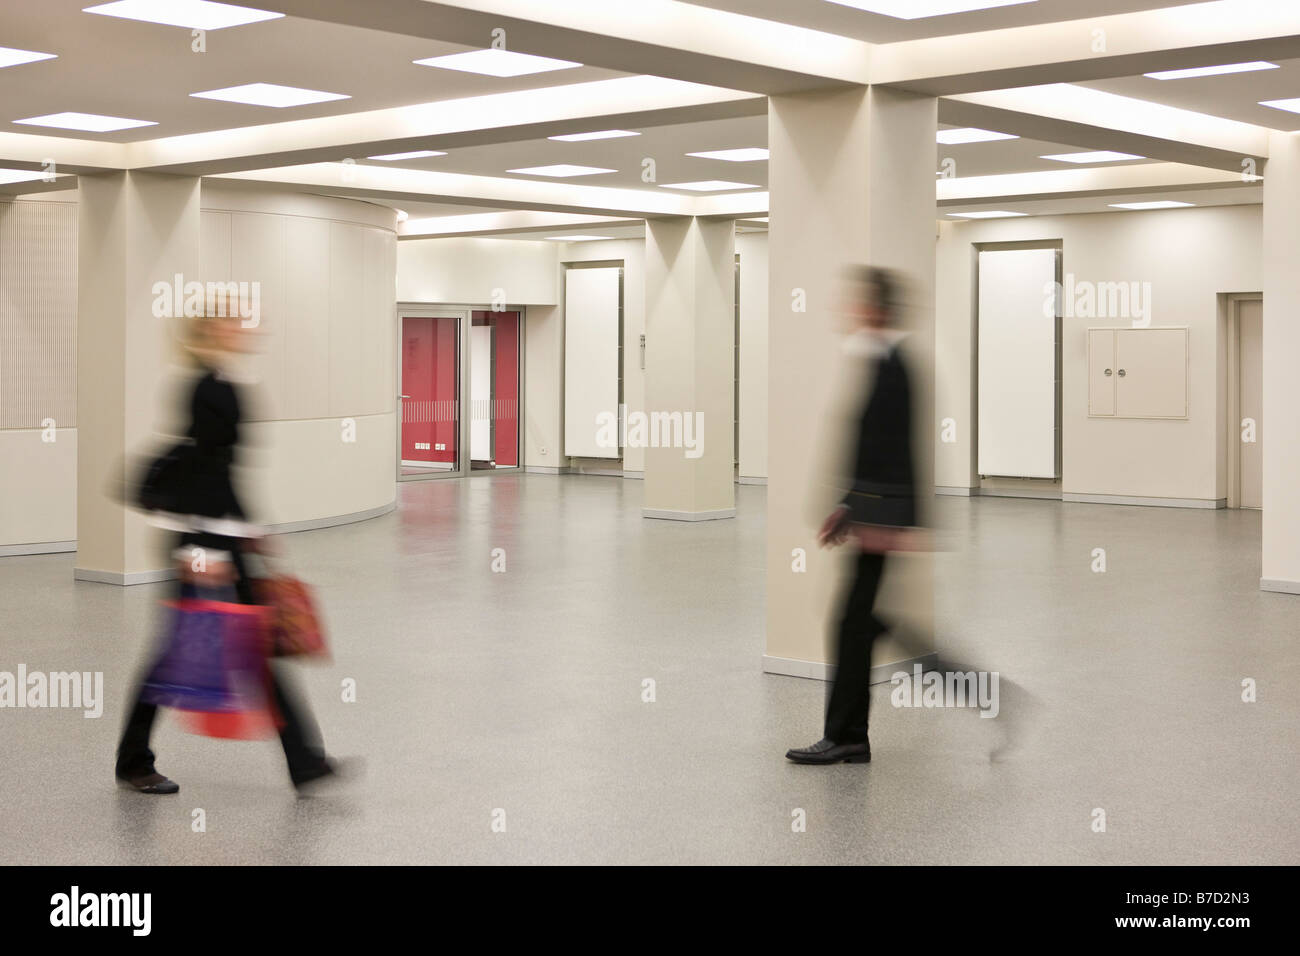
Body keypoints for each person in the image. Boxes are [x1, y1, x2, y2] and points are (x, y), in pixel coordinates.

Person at [115, 304, 339, 794]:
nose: (243, 329)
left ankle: (304, 762)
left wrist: (252, 529)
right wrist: (207, 551)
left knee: (258, 644)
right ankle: (133, 761)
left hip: (223, 536)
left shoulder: (222, 382)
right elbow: (202, 470)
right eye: (228, 324)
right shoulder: (205, 388)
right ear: (202, 337)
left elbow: (221, 471)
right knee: (175, 652)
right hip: (203, 543)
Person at [786, 266, 919, 765]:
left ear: (876, 308)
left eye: (856, 301)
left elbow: (903, 450)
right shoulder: (876, 358)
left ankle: (845, 735)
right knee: (857, 623)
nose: (846, 310)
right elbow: (871, 450)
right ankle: (851, 736)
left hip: (882, 521)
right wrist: (846, 505)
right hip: (872, 516)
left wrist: (896, 522)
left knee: (853, 623)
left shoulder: (896, 364)